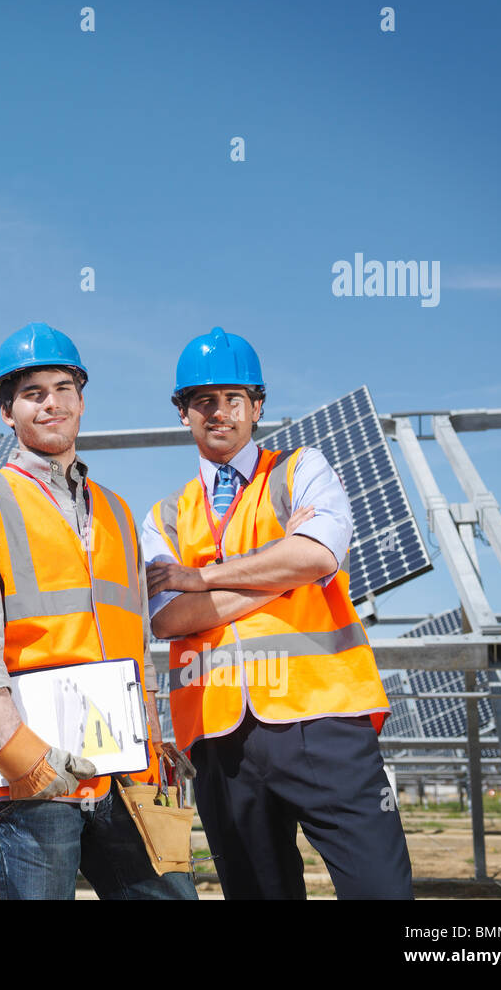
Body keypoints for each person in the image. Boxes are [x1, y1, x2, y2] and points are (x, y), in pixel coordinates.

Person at [142, 326, 413, 899]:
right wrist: (282, 575)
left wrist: (204, 578)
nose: (220, 413)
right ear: (183, 413)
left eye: (234, 399)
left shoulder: (299, 469)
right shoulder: (164, 516)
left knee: (380, 890)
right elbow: (166, 617)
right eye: (203, 402)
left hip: (324, 716)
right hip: (219, 738)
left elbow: (317, 552)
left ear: (257, 406)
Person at [0, 322, 197, 901]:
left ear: (81, 400)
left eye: (63, 388)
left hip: (125, 772)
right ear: (8, 411)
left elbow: (137, 647)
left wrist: (154, 738)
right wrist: (22, 755)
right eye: (33, 393)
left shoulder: (118, 512)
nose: (51, 403)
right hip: (34, 778)